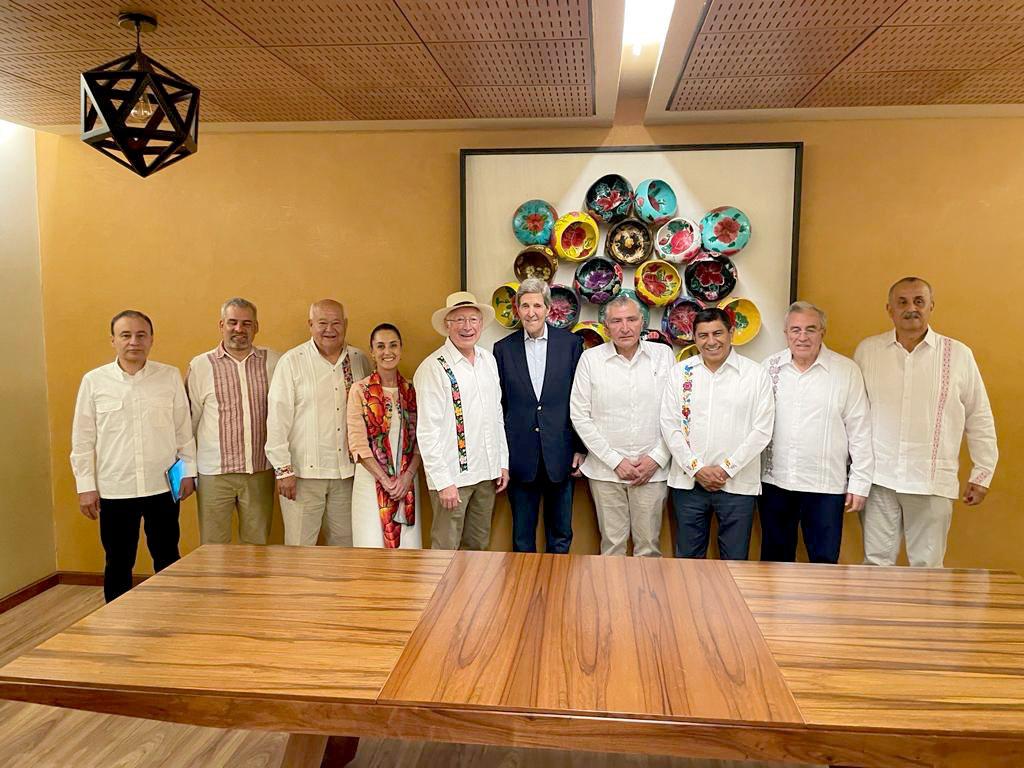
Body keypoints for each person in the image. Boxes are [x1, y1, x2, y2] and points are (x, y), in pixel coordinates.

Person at [854, 277, 998, 568]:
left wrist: (982, 472)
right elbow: (853, 415)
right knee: (875, 564)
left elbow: (979, 415)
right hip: (879, 478)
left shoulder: (958, 355)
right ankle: (878, 616)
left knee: (928, 568)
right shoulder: (868, 352)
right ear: (889, 309)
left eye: (919, 301)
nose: (911, 309)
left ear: (931, 306)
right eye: (902, 302)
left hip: (931, 480)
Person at [71, 310, 196, 602]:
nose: (133, 342)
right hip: (116, 489)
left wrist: (189, 472)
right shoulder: (94, 381)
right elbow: (83, 438)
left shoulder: (169, 376)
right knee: (118, 560)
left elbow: (183, 429)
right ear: (113, 340)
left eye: (141, 335)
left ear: (151, 339)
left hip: (163, 486)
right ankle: (117, 624)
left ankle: (171, 612)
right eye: (126, 335)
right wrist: (85, 486)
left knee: (167, 555)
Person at [760, 301, 873, 564]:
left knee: (824, 561)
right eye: (795, 330)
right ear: (785, 333)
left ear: (823, 332)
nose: (802, 337)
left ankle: (821, 608)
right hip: (775, 482)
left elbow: (860, 429)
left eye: (810, 329)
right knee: (774, 561)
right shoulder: (769, 367)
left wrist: (860, 482)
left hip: (825, 485)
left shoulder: (846, 371)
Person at [660, 307, 773, 560]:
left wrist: (726, 469)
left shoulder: (755, 375)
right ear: (694, 337)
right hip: (689, 483)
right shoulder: (680, 373)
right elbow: (670, 425)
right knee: (687, 560)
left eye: (718, 333)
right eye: (703, 335)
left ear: (731, 332)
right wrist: (696, 468)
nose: (711, 342)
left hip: (737, 484)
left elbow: (762, 430)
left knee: (735, 560)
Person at [570, 292, 674, 557]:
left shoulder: (663, 356)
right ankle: (611, 600)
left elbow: (676, 413)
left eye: (631, 319)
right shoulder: (590, 360)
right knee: (612, 547)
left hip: (652, 471)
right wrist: (615, 461)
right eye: (616, 321)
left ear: (643, 322)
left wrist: (656, 458)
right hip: (606, 472)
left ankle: (647, 600)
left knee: (649, 548)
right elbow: (580, 416)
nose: (625, 327)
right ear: (606, 327)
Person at [265, 299, 370, 546]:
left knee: (346, 547)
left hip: (347, 474)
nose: (329, 329)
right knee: (299, 547)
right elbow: (277, 419)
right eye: (322, 323)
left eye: (336, 323)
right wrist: (283, 470)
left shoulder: (359, 360)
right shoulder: (292, 362)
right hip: (301, 476)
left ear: (345, 325)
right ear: (310, 324)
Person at [493, 279, 585, 553]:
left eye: (536, 305)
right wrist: (501, 457)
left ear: (547, 308)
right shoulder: (502, 349)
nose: (531, 312)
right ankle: (524, 596)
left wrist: (580, 448)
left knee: (560, 536)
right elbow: (501, 405)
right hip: (520, 458)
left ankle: (559, 594)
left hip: (561, 455)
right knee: (522, 538)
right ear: (517, 310)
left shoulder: (571, 344)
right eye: (525, 306)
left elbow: (579, 401)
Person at [414, 291, 509, 550]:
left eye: (473, 319)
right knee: (445, 550)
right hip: (453, 480)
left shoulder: (488, 360)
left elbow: (496, 416)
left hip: (486, 475)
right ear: (447, 325)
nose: (467, 327)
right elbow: (428, 432)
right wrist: (443, 482)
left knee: (478, 549)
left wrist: (502, 462)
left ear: (481, 324)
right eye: (459, 320)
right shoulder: (433, 368)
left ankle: (473, 593)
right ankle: (442, 593)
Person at [186, 298, 280, 545]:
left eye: (246, 323)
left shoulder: (273, 362)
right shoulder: (200, 365)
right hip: (214, 474)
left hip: (259, 471)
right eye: (233, 322)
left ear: (256, 327)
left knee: (257, 546)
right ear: (221, 325)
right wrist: (187, 470)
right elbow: (190, 422)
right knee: (213, 548)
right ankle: (218, 586)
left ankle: (253, 586)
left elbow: (283, 416)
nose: (239, 329)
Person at [346, 323, 422, 548]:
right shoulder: (360, 390)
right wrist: (385, 480)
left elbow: (420, 441)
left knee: (408, 554)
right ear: (372, 351)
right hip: (371, 482)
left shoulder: (411, 390)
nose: (387, 352)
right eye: (380, 346)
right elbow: (358, 444)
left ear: (401, 348)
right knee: (371, 550)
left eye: (393, 345)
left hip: (406, 482)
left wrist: (406, 478)